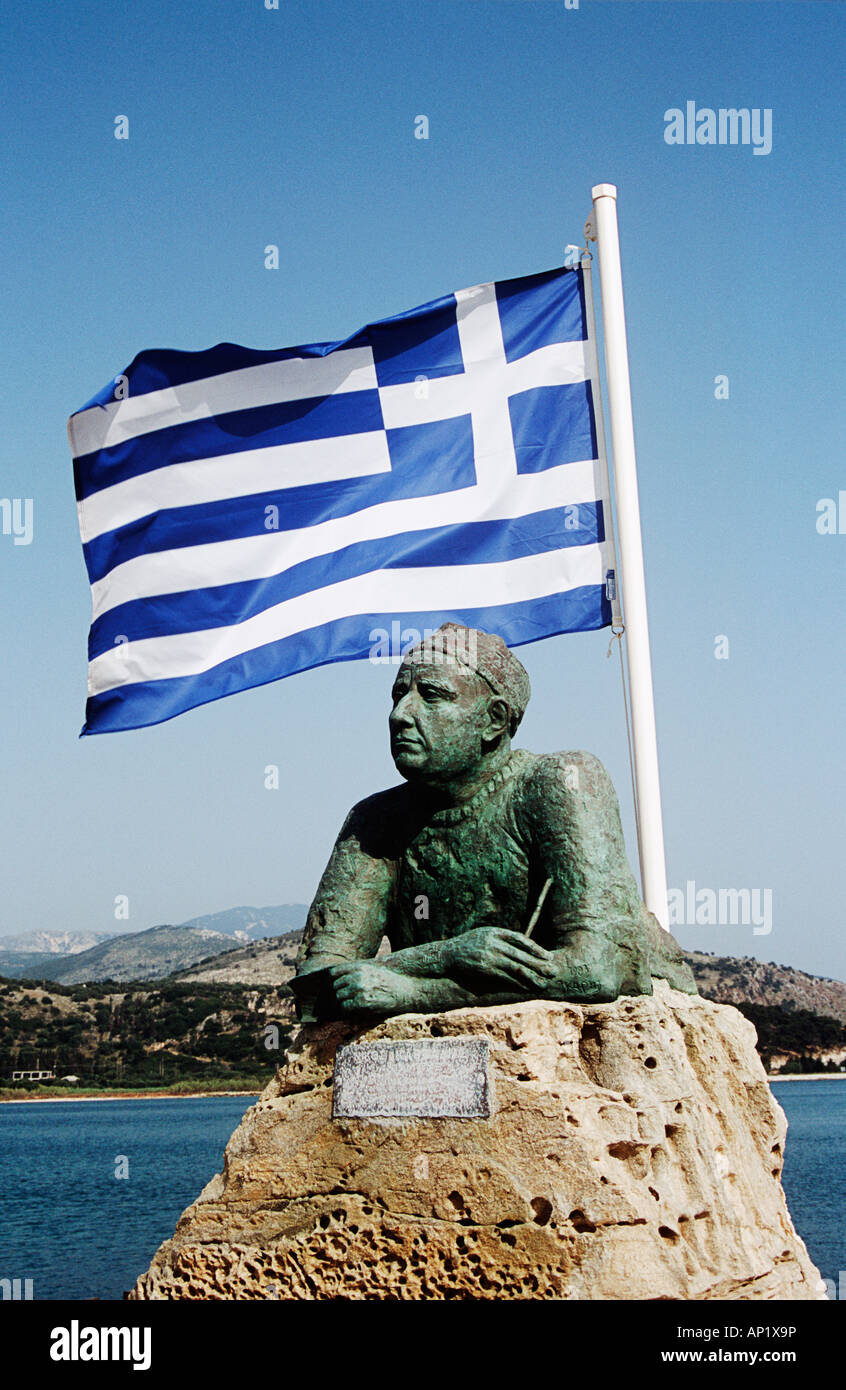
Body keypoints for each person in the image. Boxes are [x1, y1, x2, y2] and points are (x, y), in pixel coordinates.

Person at [293, 622, 695, 1020]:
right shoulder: (374, 821)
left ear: (494, 720)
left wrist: (415, 991)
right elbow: (315, 988)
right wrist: (447, 955)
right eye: (398, 695)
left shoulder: (562, 782)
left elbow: (598, 971)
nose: (400, 714)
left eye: (431, 695)